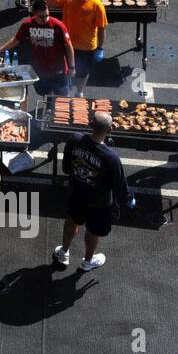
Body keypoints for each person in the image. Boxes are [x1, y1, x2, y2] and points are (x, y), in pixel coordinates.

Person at [54, 111, 134, 272]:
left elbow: (66, 167)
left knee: (71, 221)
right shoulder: (111, 158)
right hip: (99, 203)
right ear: (110, 130)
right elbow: (119, 185)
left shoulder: (74, 139)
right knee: (93, 231)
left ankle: (64, 252)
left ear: (90, 124)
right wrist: (129, 198)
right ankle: (88, 261)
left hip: (77, 193)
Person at [0, 0, 74, 95]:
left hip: (58, 68)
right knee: (45, 92)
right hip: (40, 68)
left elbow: (69, 47)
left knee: (62, 95)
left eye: (47, 15)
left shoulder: (58, 26)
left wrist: (72, 67)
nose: (45, 19)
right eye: (41, 16)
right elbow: (15, 41)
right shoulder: (27, 25)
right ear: (34, 14)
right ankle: (48, 107)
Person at [49, 0, 108, 95]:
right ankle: (65, 92)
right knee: (65, 70)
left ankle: (79, 92)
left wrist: (100, 48)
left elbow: (102, 29)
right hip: (66, 44)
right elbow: (47, 4)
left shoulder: (96, 5)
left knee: (83, 73)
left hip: (86, 47)